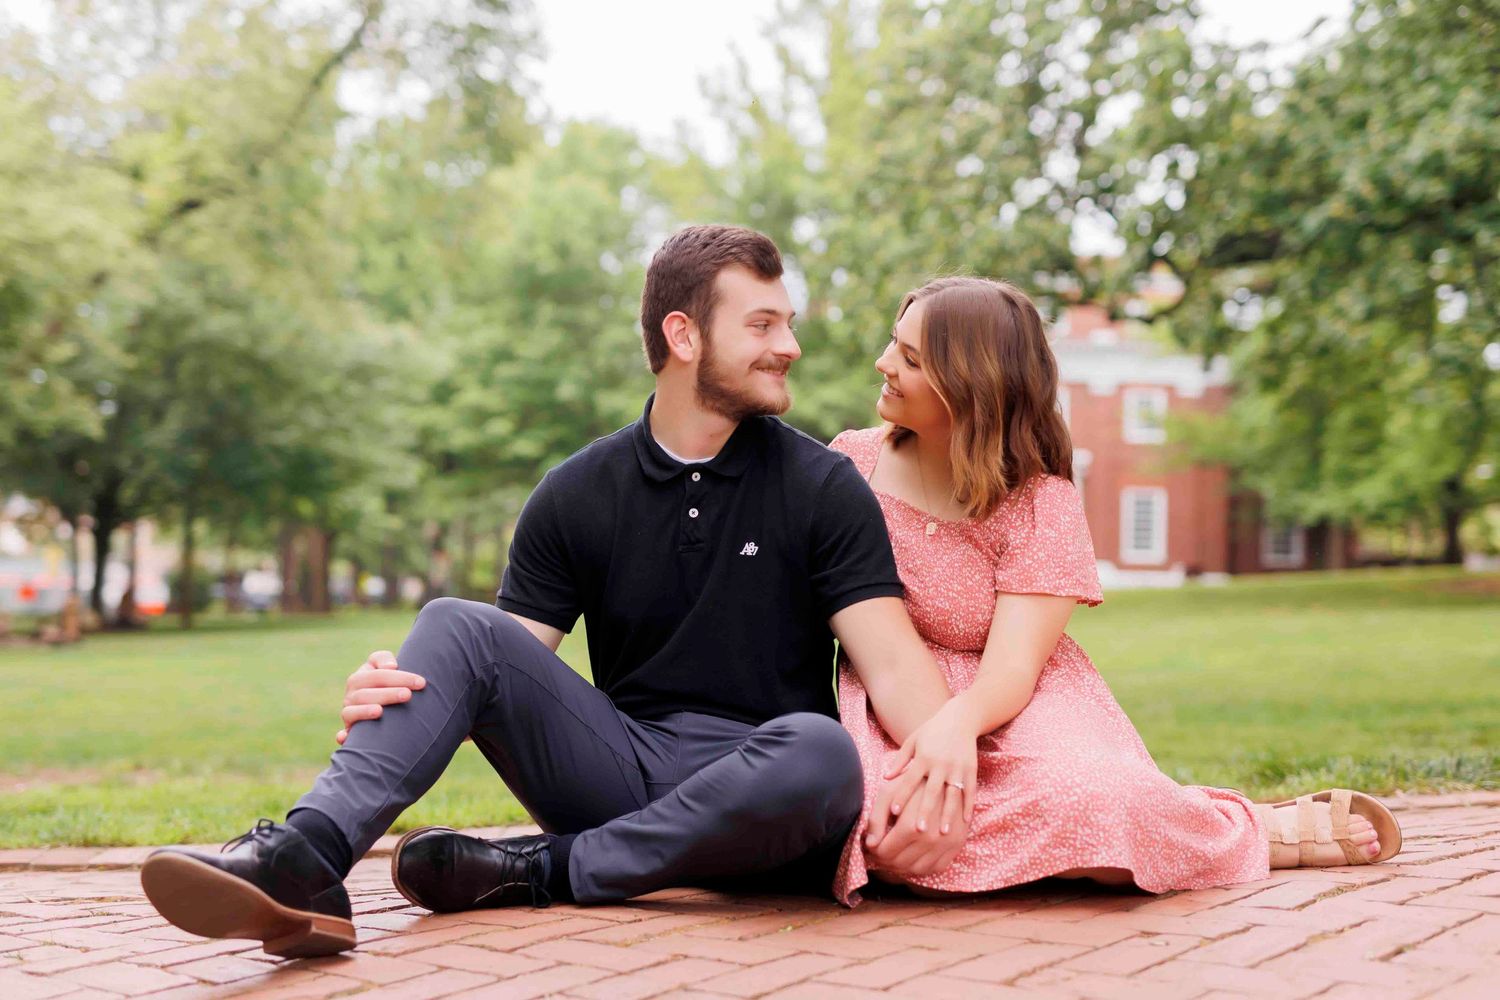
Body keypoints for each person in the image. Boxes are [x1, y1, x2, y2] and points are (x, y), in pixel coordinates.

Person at [140, 226, 975, 958]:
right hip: (620, 763)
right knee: (453, 625)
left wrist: (958, 757)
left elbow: (898, 675)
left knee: (822, 752)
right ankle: (306, 859)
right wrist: (403, 688)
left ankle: (542, 869)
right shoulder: (578, 491)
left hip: (765, 793)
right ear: (683, 336)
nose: (788, 344)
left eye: (786, 322)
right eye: (762, 324)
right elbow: (499, 669)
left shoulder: (821, 484)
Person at [829, 276, 1403, 904]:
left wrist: (955, 730)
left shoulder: (1041, 502)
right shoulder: (851, 466)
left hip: (1012, 701)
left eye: (911, 358)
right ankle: (1153, 832)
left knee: (1102, 800)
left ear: (974, 384)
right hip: (895, 699)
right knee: (898, 834)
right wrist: (931, 738)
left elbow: (1014, 668)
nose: (884, 364)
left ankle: (1239, 829)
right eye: (895, 344)